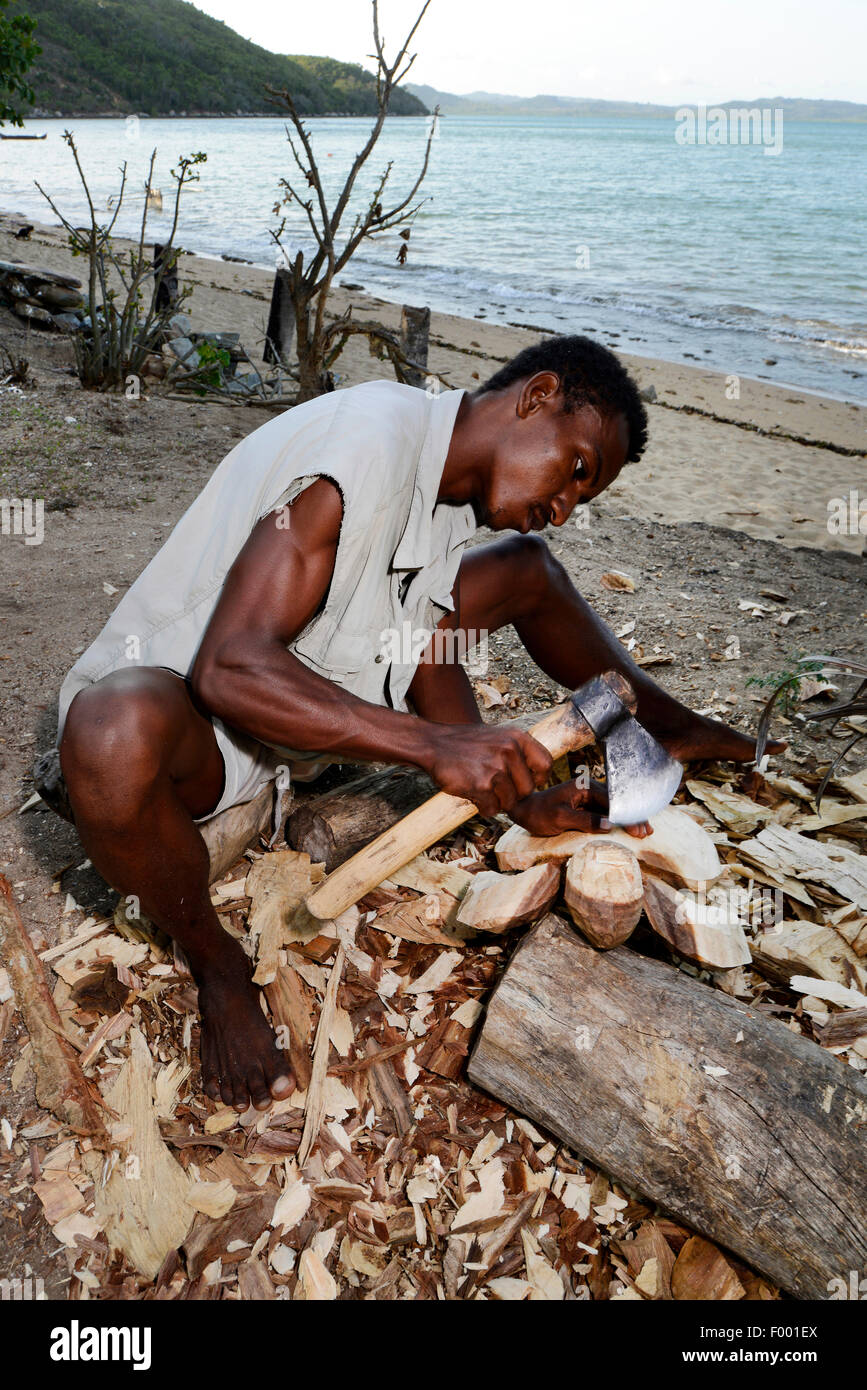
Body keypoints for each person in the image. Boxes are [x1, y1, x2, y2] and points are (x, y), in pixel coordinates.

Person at [56, 335, 783, 1113]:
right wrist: (436, 746)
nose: (565, 507)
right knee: (110, 728)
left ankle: (671, 728)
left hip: (297, 732)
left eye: (583, 497)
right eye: (575, 469)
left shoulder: (450, 491)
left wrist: (516, 803)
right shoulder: (364, 448)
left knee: (527, 569)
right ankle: (216, 967)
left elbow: (423, 649)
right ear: (536, 396)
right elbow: (228, 668)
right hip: (198, 733)